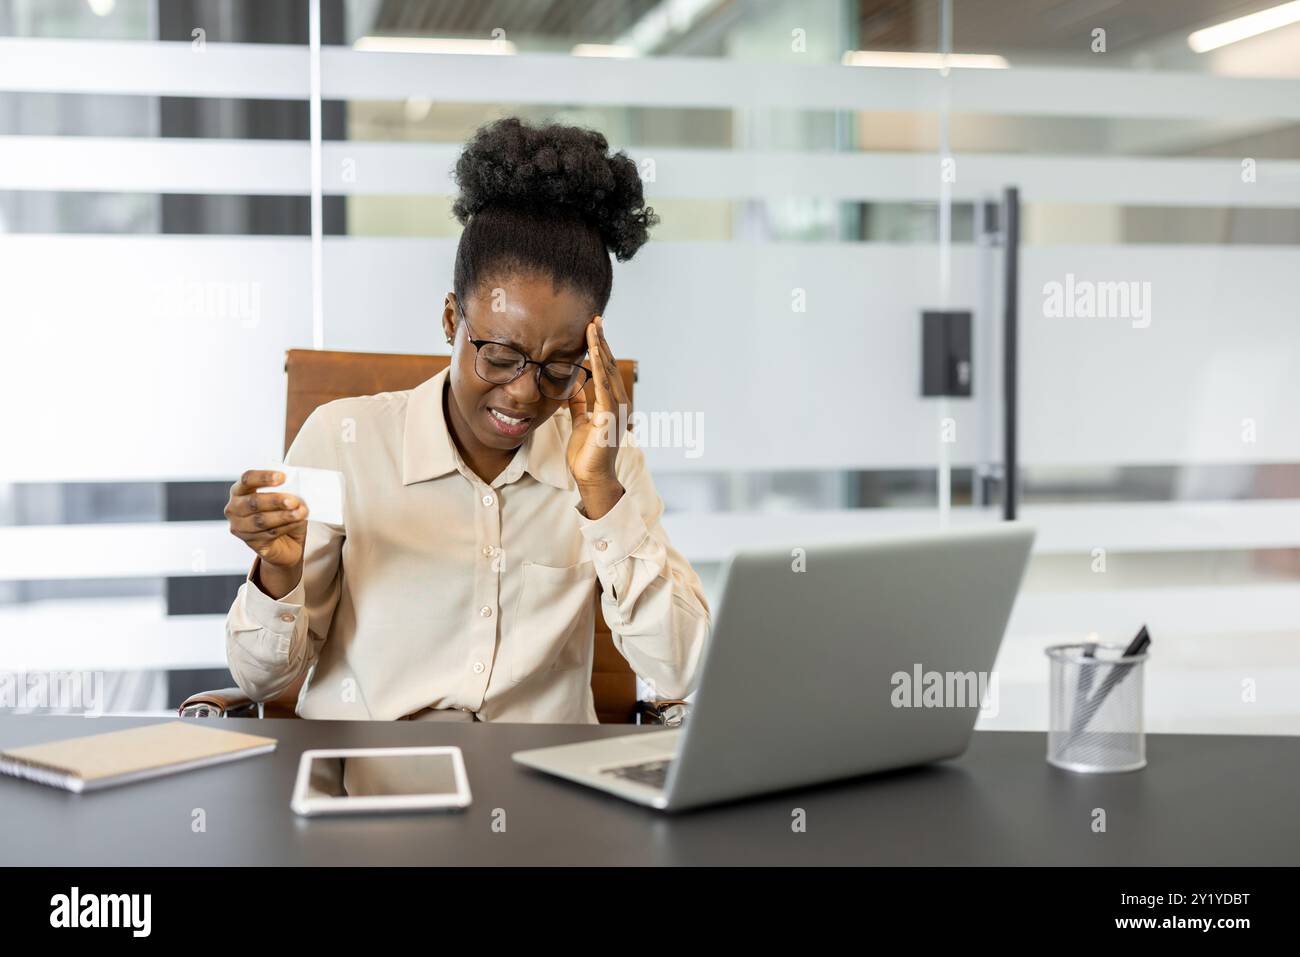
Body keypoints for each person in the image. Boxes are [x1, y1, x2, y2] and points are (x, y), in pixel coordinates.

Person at [221, 117, 710, 723]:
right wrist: (279, 572)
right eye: (500, 357)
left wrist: (603, 497)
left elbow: (680, 669)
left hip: (542, 793)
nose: (526, 394)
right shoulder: (341, 441)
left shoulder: (606, 463)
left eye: (560, 367)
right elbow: (263, 680)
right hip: (374, 790)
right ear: (452, 321)